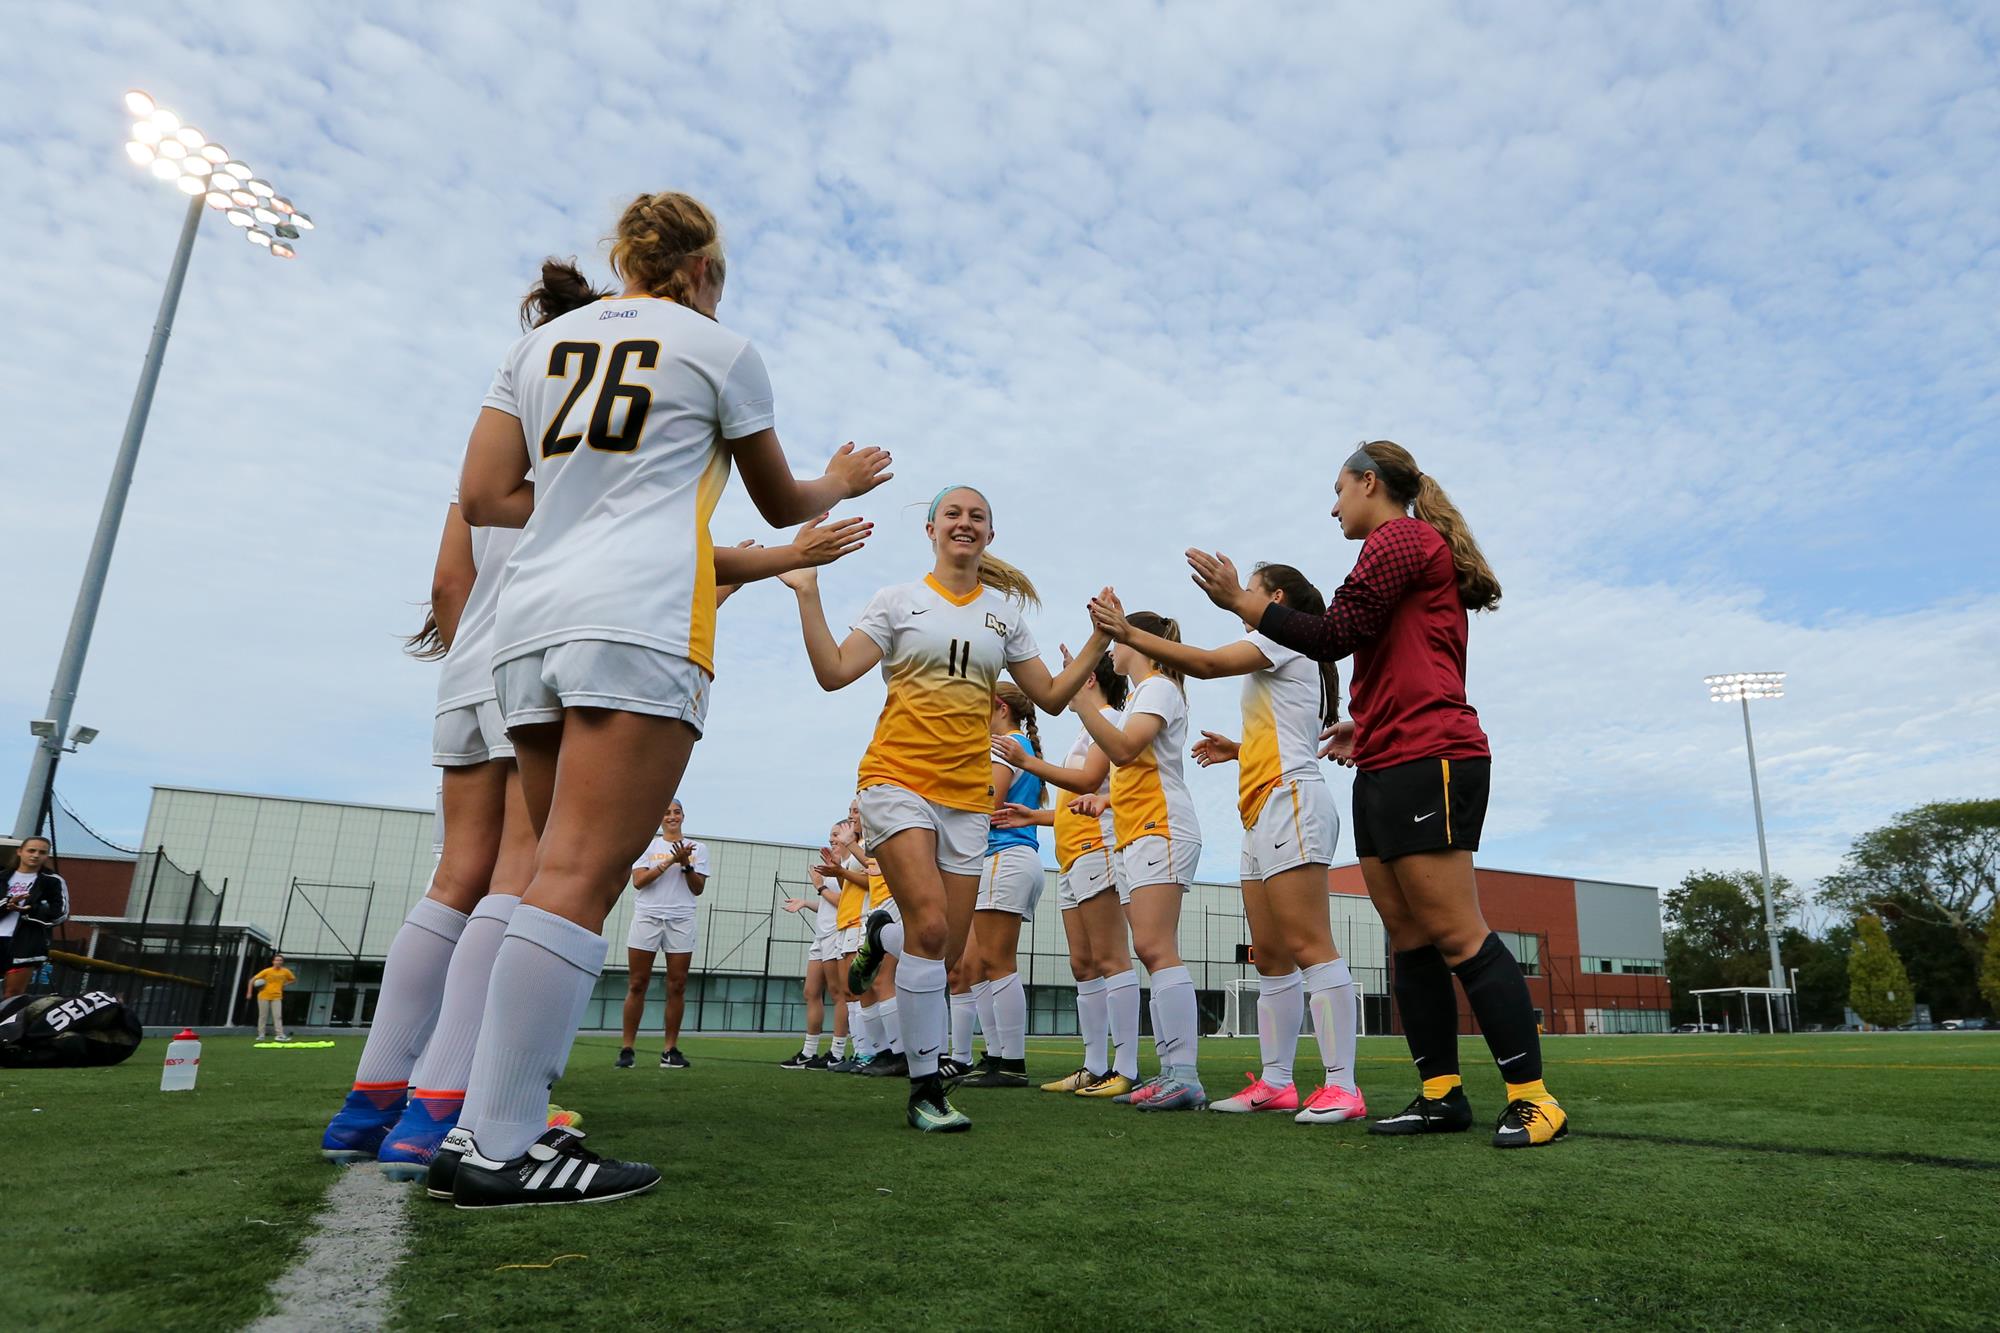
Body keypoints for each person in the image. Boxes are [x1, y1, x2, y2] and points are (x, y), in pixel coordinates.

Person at [443, 189, 890, 1208]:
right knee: (576, 879)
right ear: (701, 272)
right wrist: (837, 483)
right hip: (639, 622)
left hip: (530, 624)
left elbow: (481, 496)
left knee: (548, 872)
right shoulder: (714, 348)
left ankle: (480, 1120)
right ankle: (503, 1140)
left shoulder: (541, 346)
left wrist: (574, 506)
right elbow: (781, 504)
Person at [1188, 440, 1566, 1149]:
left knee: (1455, 929)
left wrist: (1241, 600)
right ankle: (1440, 1094)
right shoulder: (1399, 549)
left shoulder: (1402, 536)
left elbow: (1337, 631)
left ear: (1371, 483)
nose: (1334, 506)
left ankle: (1534, 1096)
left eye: (1339, 489)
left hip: (1434, 754)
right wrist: (1368, 721)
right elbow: (1399, 649)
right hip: (1387, 755)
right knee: (1411, 938)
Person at [781, 484, 1107, 1132]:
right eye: (952, 513)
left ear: (990, 533)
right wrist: (807, 591)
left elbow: (1048, 691)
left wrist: (1100, 641)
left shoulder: (1005, 616)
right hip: (895, 779)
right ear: (931, 529)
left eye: (977, 515)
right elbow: (833, 670)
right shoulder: (897, 601)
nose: (964, 522)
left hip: (966, 798)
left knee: (944, 949)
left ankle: (881, 934)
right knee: (930, 927)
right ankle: (926, 1089)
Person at [1092, 568, 1366, 1124]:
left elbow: (1209, 664)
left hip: (1292, 800)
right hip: (1262, 807)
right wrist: (1240, 750)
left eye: (1252, 587)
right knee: (1270, 956)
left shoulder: (1284, 635)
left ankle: (1343, 1086)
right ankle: (1276, 1083)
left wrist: (1128, 630)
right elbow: (1286, 732)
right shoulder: (1284, 648)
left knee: (1310, 945)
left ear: (1277, 599)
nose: (1244, 599)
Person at [1073, 609, 1205, 1110]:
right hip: (1139, 830)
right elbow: (1135, 766)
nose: (1110, 650)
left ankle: (1184, 1074)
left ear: (1141, 643)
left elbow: (1126, 751)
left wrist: (1087, 706)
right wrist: (1108, 802)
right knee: (1151, 950)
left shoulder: (1158, 686)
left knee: (1154, 946)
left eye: (1117, 639)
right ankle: (1172, 1070)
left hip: (1161, 828)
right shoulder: (1143, 693)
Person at [998, 653, 1140, 1097]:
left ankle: (1126, 1067)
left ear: (1090, 678)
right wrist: (1037, 815)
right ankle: (1093, 1064)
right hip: (1071, 855)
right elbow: (1077, 799)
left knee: (1111, 957)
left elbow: (1088, 781)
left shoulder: (1112, 720)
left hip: (1098, 848)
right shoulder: (1087, 727)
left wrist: (1026, 761)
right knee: (1082, 964)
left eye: (1075, 673)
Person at [954, 683, 1048, 1088]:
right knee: (975, 966)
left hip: (1004, 857)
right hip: (1006, 859)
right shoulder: (1018, 744)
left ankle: (1011, 1062)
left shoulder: (1006, 744)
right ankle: (995, 1056)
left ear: (998, 706)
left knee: (996, 962)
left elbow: (989, 802)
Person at [618, 801, 709, 1070]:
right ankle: (627, 1048)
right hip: (648, 916)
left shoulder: (698, 849)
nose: (672, 816)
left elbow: (697, 889)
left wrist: (686, 865)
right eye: (667, 812)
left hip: (681, 919)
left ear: (683, 816)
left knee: (677, 984)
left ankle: (670, 1050)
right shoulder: (647, 846)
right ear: (659, 817)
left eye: (676, 812)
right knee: (637, 983)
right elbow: (639, 881)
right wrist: (671, 860)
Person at [778, 818, 856, 1069]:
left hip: (837, 933)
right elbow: (826, 903)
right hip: (821, 936)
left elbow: (845, 901)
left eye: (837, 834)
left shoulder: (848, 867)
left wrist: (820, 887)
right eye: (831, 835)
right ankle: (809, 1051)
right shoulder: (832, 866)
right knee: (810, 991)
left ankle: (836, 1052)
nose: (832, 839)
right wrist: (805, 902)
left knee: (838, 993)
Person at [2, 837, 68, 999]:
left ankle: (6, 1024)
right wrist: (7, 904)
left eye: (42, 852)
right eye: (31, 850)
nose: (36, 855)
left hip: (25, 944)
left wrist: (29, 910)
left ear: (46, 856)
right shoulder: (2, 876)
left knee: (13, 994)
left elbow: (60, 914)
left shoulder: (53, 881)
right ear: (20, 852)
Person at [247, 954, 297, 1041]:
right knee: (263, 1016)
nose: (278, 962)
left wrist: (284, 984)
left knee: (277, 1016)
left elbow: (293, 979)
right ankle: (261, 1035)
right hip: (264, 996)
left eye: (280, 960)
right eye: (277, 960)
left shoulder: (285, 971)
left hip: (277, 996)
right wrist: (249, 993)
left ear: (282, 962)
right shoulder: (267, 971)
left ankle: (280, 1035)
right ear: (273, 962)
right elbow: (252, 980)